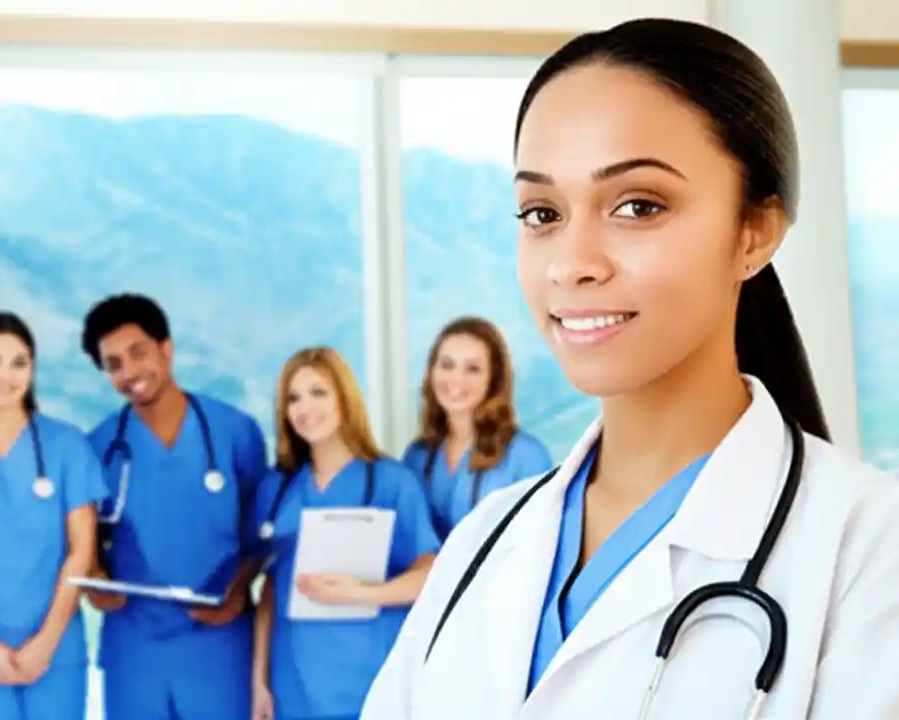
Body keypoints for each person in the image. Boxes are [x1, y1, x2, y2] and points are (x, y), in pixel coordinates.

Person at [362, 17, 899, 719]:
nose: (572, 263)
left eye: (637, 205)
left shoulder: (868, 550)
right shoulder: (484, 542)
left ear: (755, 232)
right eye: (541, 212)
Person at [81, 293, 267, 720]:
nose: (129, 372)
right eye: (114, 364)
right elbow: (85, 543)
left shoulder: (234, 433)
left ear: (166, 348)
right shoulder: (99, 449)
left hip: (219, 646)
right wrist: (93, 583)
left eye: (138, 353)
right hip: (135, 648)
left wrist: (238, 590)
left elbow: (262, 535)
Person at [0, 312, 108, 720]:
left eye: (19, 362)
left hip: (56, 646)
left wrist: (45, 643)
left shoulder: (67, 446)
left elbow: (81, 553)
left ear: (32, 370)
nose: (5, 376)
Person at [250, 347, 439, 720]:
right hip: (294, 680)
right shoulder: (277, 488)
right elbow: (271, 588)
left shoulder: (389, 482)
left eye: (319, 392)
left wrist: (362, 593)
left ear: (344, 398)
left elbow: (431, 576)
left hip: (369, 674)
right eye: (294, 397)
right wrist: (259, 681)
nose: (306, 407)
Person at [402, 317, 553, 540]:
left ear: (493, 378)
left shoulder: (525, 456)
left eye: (473, 368)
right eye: (447, 365)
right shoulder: (418, 457)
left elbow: (539, 544)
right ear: (432, 372)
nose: (456, 379)